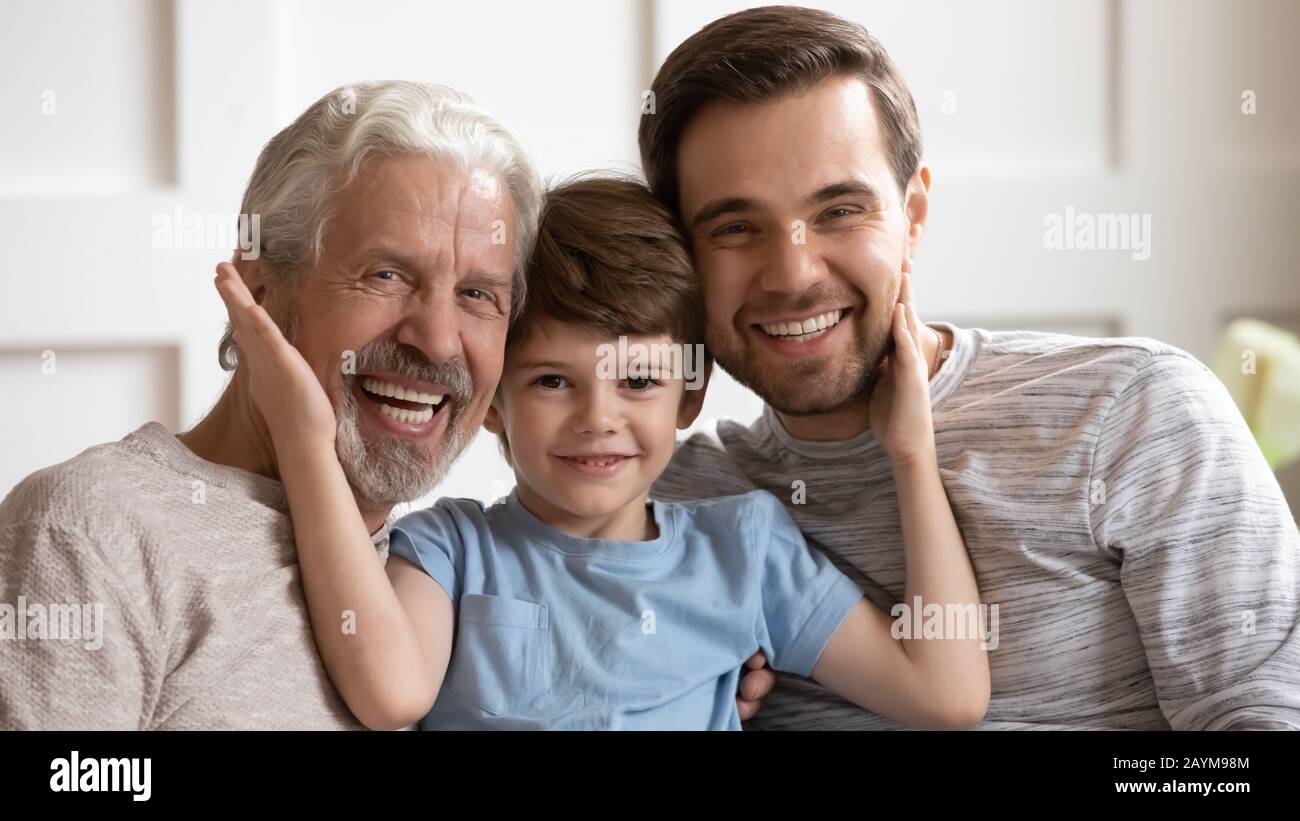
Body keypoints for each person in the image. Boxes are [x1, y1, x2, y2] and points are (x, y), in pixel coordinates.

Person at [213, 176, 990, 729]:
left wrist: (911, 455)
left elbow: (946, 693)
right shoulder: (448, 549)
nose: (598, 418)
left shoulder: (746, 551)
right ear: (491, 405)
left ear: (689, 395)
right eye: (553, 380)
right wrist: (305, 437)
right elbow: (389, 696)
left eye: (640, 380)